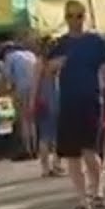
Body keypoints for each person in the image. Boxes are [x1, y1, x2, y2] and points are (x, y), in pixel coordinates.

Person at [42, 0, 105, 209]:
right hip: (67, 103)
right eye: (71, 16)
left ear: (85, 17)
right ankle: (82, 201)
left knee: (89, 151)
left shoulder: (95, 42)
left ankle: (98, 190)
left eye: (79, 16)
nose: (75, 20)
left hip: (91, 102)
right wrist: (56, 65)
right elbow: (47, 71)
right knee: (72, 155)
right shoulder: (61, 44)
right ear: (65, 18)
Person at [29, 38, 62, 178]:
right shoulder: (58, 62)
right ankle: (56, 164)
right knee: (58, 135)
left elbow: (35, 84)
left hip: (44, 100)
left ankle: (45, 168)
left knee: (44, 135)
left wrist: (32, 101)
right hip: (58, 98)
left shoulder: (39, 63)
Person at [0, 41, 38, 160]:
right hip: (36, 89)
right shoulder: (30, 54)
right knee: (32, 121)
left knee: (24, 121)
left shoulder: (10, 57)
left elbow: (8, 78)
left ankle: (27, 150)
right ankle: (35, 148)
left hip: (22, 90)